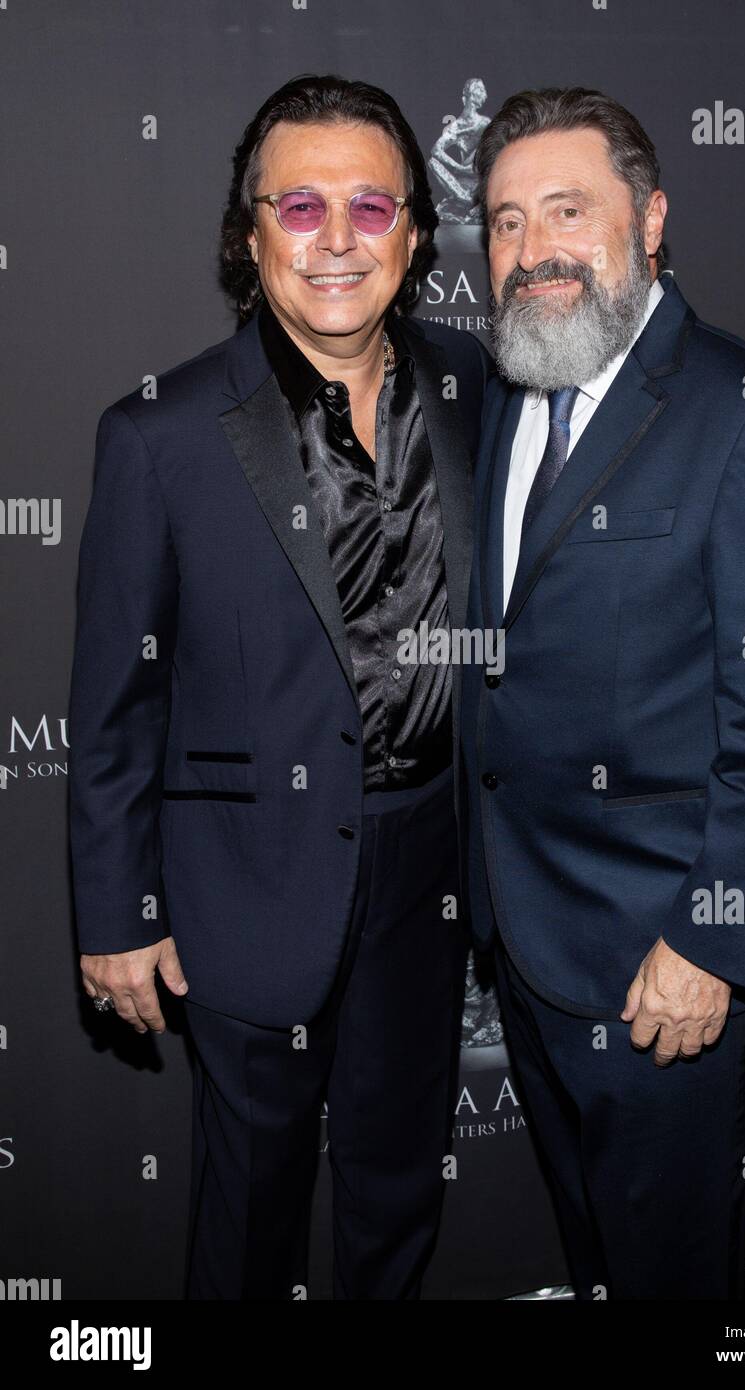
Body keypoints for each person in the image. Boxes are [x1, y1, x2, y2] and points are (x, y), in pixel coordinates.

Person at [68, 73, 491, 1300]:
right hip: (244, 883)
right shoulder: (159, 433)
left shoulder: (480, 391)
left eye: (373, 205)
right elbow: (110, 708)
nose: (339, 240)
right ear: (247, 233)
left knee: (398, 1188)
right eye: (300, 206)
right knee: (247, 1213)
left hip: (431, 867)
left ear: (416, 234)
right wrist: (115, 912)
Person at [460, 85, 745, 1299]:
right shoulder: (508, 393)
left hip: (663, 973)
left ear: (649, 221)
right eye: (505, 221)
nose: (533, 250)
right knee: (597, 1264)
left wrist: (715, 944)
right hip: (525, 947)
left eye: (567, 211)